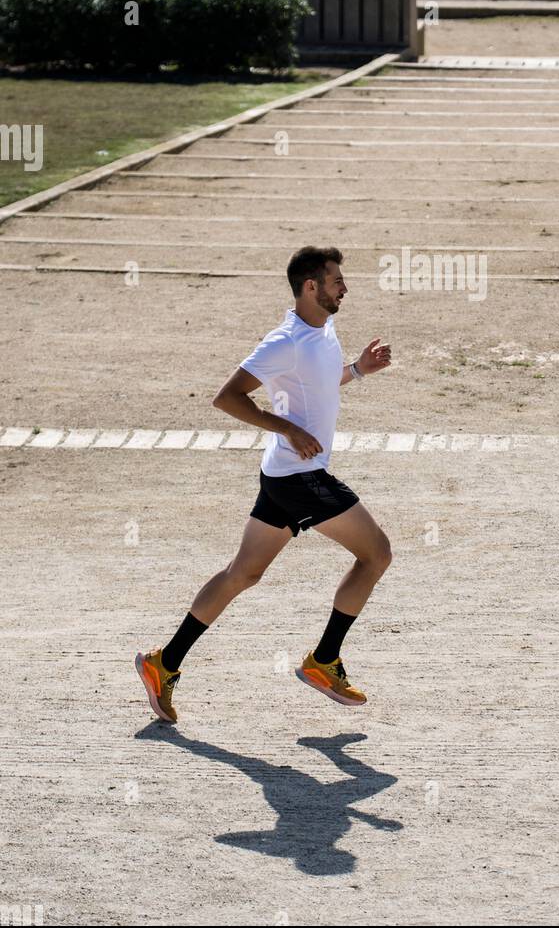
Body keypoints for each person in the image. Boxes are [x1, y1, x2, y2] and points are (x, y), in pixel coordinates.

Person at [135, 245, 392, 722]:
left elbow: (316, 385)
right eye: (337, 280)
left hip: (281, 475)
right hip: (299, 476)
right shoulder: (285, 341)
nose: (345, 287)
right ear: (310, 287)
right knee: (376, 553)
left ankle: (162, 663)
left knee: (243, 574)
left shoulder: (324, 330)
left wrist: (357, 370)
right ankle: (323, 661)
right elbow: (226, 398)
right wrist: (288, 429)